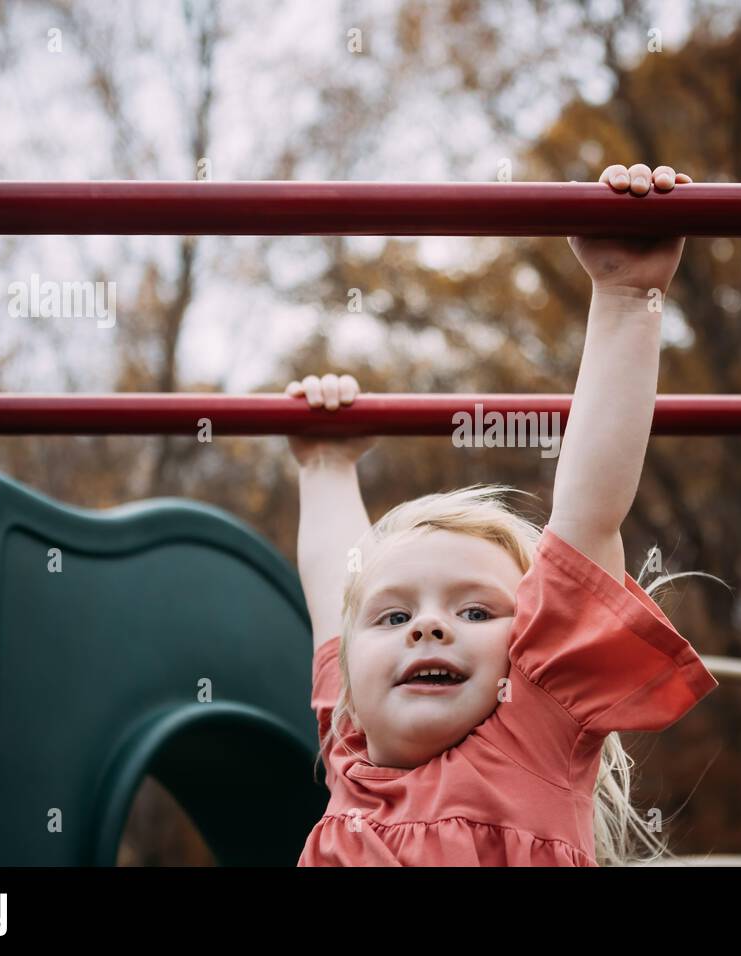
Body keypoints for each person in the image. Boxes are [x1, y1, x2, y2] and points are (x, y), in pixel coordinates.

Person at [288, 163, 718, 866]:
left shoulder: (532, 726)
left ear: (534, 651)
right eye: (394, 618)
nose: (426, 626)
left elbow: (589, 510)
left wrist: (626, 292)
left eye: (477, 613)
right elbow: (342, 580)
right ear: (350, 684)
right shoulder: (353, 739)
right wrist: (326, 467)